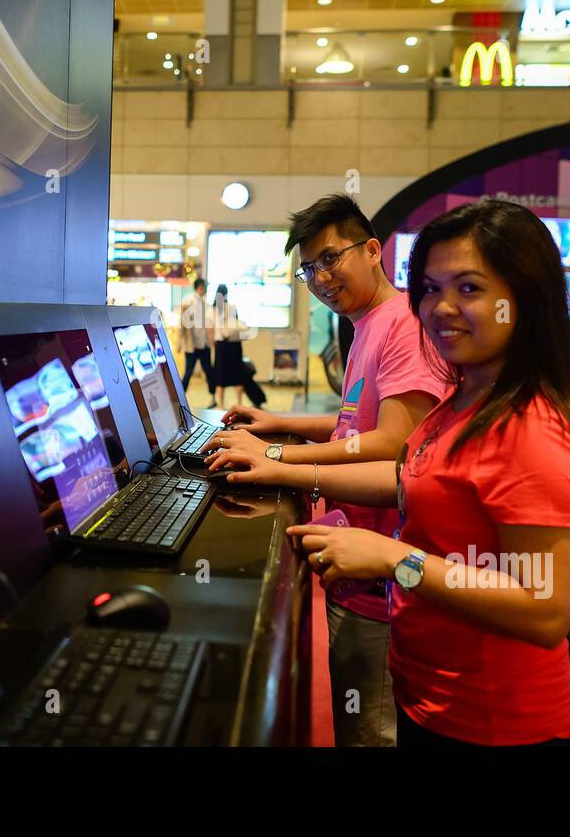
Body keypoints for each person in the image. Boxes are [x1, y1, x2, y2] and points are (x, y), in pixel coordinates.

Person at [209, 199, 570, 747]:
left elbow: (544, 608)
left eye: (469, 288)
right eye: (432, 288)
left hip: (491, 723)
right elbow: (402, 476)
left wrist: (395, 558)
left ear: (524, 297)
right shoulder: (465, 398)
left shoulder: (531, 428)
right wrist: (280, 466)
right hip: (430, 697)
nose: (439, 308)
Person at [205, 193, 444, 746]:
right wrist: (277, 422)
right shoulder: (370, 323)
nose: (319, 276)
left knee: (371, 732)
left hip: (384, 582)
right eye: (308, 268)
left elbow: (391, 446)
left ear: (373, 251)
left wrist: (278, 458)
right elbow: (355, 424)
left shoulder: (402, 326)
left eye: (331, 258)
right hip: (356, 567)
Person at [178, 277, 216, 408]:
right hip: (192, 345)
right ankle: (180, 399)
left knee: (209, 372)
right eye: (204, 286)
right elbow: (182, 323)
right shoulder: (188, 301)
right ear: (199, 287)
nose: (205, 289)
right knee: (188, 372)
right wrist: (180, 342)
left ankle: (213, 397)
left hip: (204, 344)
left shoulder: (206, 302)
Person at [210, 284, 247, 409]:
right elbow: (237, 324)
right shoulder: (232, 307)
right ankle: (239, 402)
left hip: (221, 346)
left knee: (220, 375)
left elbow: (210, 328)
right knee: (237, 373)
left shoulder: (213, 309)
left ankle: (220, 405)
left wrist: (212, 342)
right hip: (234, 344)